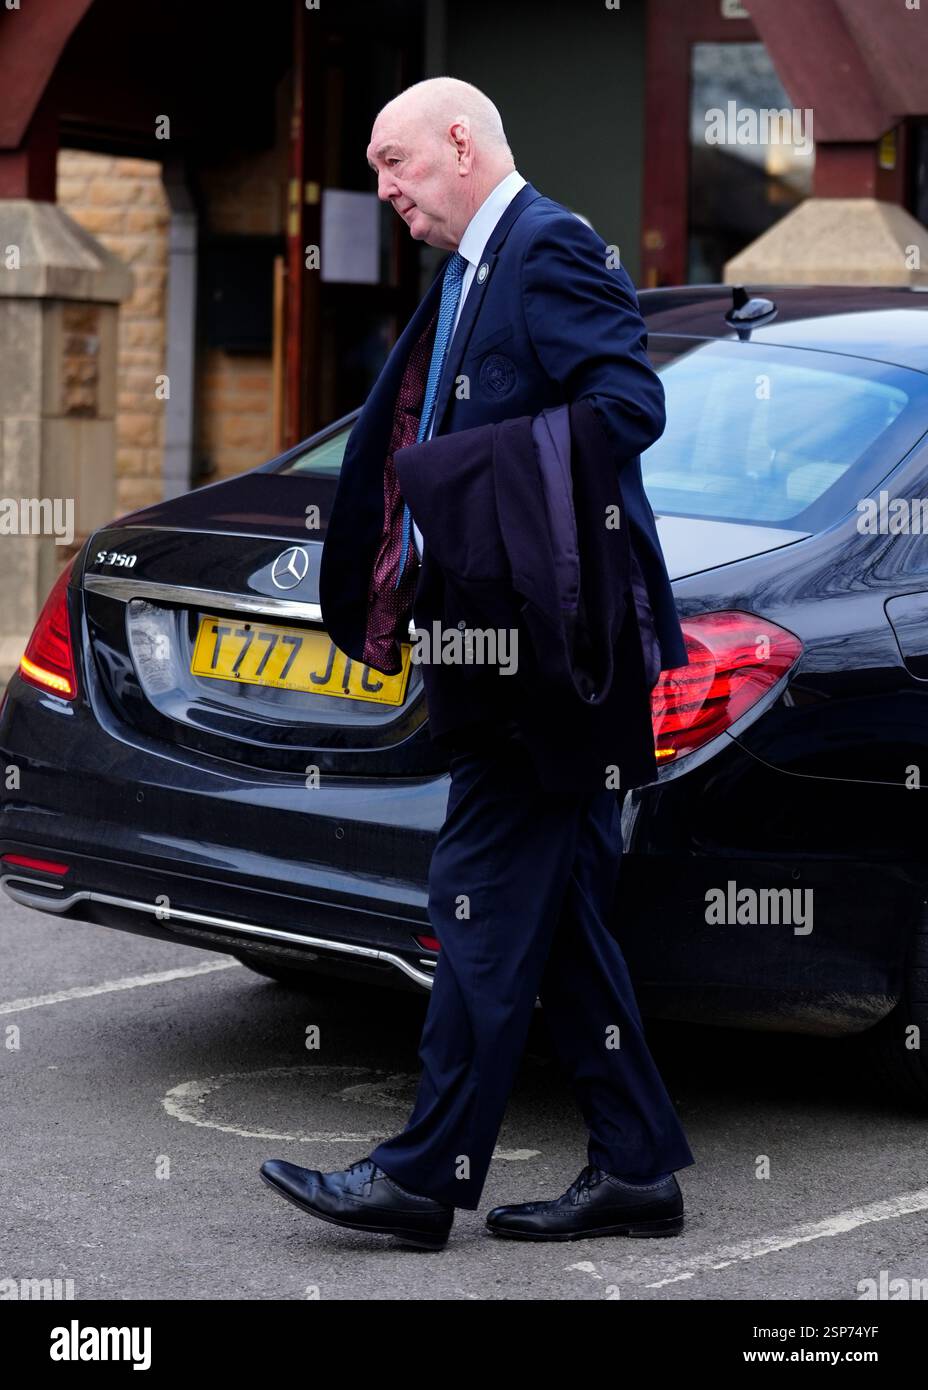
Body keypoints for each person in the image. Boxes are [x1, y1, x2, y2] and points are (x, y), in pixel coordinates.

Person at [261, 76, 695, 1250]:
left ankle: (417, 1179)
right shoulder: (463, 274)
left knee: (477, 900)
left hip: (549, 668)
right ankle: (638, 1165)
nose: (385, 190)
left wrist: (458, 485)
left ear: (462, 143)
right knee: (553, 924)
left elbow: (627, 406)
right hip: (493, 658)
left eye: (396, 163)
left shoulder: (549, 247)